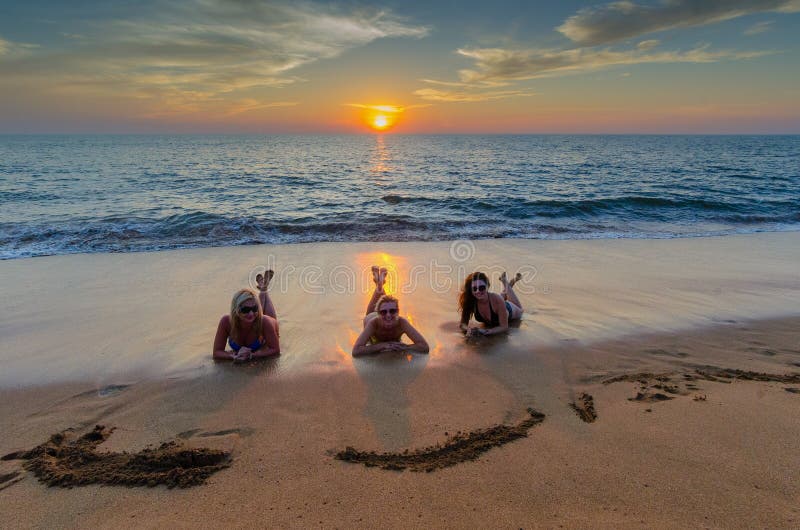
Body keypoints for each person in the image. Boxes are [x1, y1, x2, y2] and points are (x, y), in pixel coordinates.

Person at [352, 266, 429, 357]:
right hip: (370, 315)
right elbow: (356, 351)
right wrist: (382, 345)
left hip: (379, 311)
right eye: (384, 312)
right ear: (379, 313)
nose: (388, 315)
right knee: (382, 298)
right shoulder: (373, 324)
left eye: (392, 311)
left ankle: (379, 284)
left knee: (384, 300)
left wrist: (406, 347)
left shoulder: (402, 322)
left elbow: (424, 346)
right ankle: (379, 284)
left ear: (398, 312)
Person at [213, 271, 280, 361]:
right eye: (245, 310)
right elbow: (216, 353)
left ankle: (263, 289)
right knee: (254, 306)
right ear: (235, 310)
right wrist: (234, 356)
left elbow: (275, 350)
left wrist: (252, 355)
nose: (251, 313)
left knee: (261, 310)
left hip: (267, 322)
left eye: (255, 308)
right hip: (259, 320)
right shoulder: (226, 322)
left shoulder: (265, 322)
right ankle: (263, 287)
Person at [459, 271, 523, 337]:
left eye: (481, 288)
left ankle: (506, 281)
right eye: (474, 288)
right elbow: (463, 324)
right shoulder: (470, 301)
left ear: (487, 286)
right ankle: (506, 281)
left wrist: (486, 331)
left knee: (521, 310)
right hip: (495, 301)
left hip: (509, 308)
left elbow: (504, 327)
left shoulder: (497, 300)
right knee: (499, 298)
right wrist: (468, 329)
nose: (477, 291)